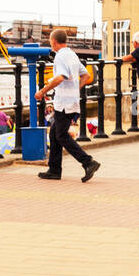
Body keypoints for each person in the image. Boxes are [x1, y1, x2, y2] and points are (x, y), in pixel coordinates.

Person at [35, 28, 100, 182]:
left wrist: (43, 91)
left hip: (63, 103)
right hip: (71, 101)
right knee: (54, 133)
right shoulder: (72, 54)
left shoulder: (60, 57)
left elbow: (60, 78)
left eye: (50, 41)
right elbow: (86, 75)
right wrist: (75, 89)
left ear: (54, 41)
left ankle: (88, 162)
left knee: (61, 136)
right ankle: (54, 169)